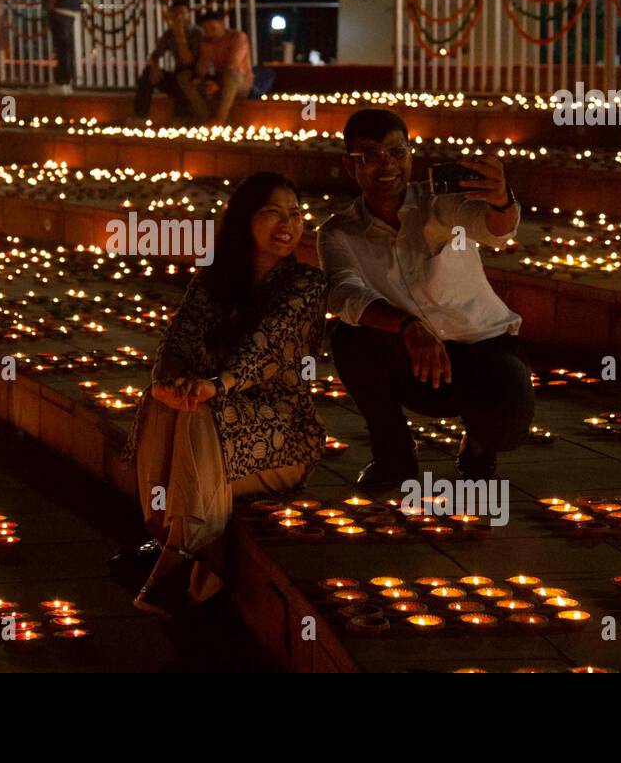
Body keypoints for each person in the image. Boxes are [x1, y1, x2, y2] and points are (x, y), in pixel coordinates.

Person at [121, 172, 327, 618]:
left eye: (294, 213)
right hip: (215, 422)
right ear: (244, 220)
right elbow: (177, 341)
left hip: (282, 431)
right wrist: (168, 381)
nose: (287, 224)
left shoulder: (305, 285)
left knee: (199, 411)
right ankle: (186, 549)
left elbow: (268, 344)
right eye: (272, 212)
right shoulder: (214, 280)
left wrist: (219, 384)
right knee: (162, 401)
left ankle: (176, 558)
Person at [317, 108, 534, 490]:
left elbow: (493, 229)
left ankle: (481, 445)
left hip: (483, 352)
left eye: (396, 153)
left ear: (410, 156)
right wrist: (408, 326)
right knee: (349, 339)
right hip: (411, 360)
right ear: (349, 166)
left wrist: (501, 201)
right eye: (370, 156)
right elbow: (344, 293)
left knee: (510, 421)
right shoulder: (339, 233)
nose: (387, 166)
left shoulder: (439, 202)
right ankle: (393, 457)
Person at [131, 0, 202, 122]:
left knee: (183, 76)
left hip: (195, 77)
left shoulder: (197, 33)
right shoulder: (169, 34)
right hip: (177, 75)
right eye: (175, 14)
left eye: (182, 13)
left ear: (188, 14)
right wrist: (155, 66)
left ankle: (182, 119)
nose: (179, 17)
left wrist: (180, 34)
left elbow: (188, 61)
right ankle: (140, 116)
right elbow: (155, 55)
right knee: (148, 73)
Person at [192, 9, 252, 122]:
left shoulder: (238, 38)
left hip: (240, 82)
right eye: (206, 30)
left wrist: (218, 84)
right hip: (219, 79)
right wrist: (200, 79)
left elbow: (233, 65)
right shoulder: (207, 42)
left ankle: (220, 120)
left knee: (231, 77)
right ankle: (205, 118)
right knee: (192, 82)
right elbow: (201, 69)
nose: (210, 33)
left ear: (222, 24)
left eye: (213, 29)